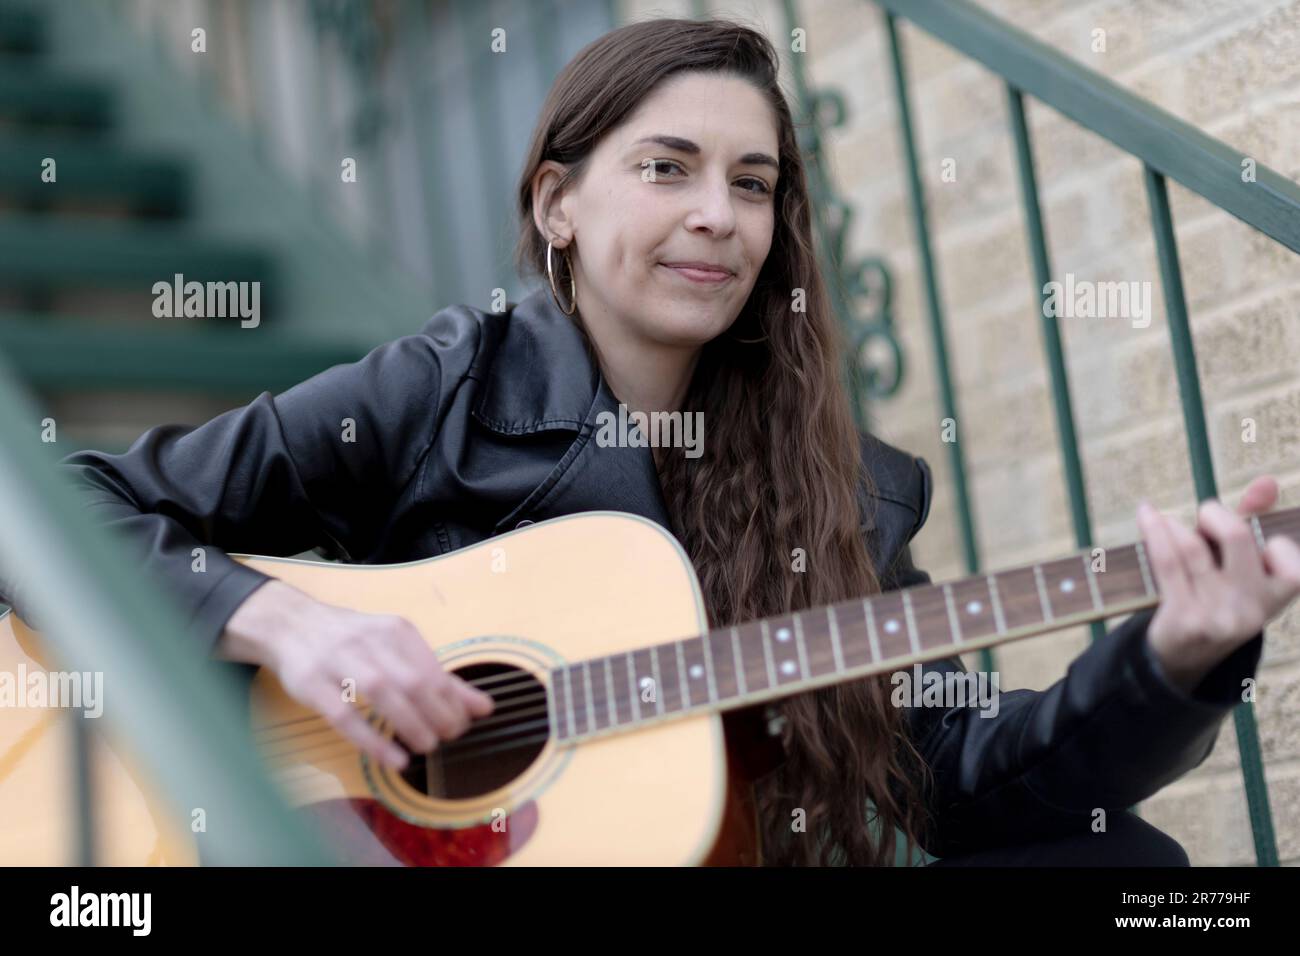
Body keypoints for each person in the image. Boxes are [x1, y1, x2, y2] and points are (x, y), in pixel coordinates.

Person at [14, 18, 1300, 866]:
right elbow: (71, 506)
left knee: (1130, 871)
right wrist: (287, 622)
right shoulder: (443, 387)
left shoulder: (834, 491)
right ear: (555, 201)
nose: (719, 217)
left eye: (751, 183)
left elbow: (956, 767)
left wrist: (1171, 659)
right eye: (669, 168)